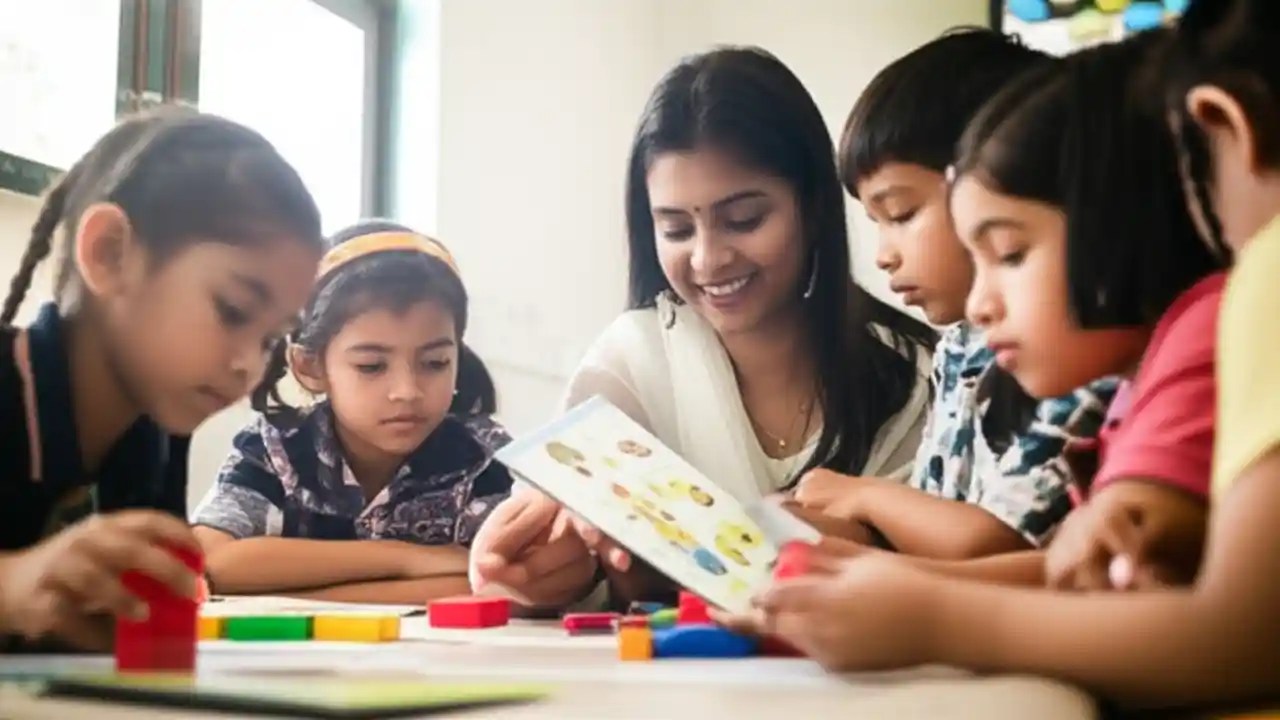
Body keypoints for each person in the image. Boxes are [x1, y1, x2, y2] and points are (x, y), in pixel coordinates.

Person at [729, 22, 1280, 708]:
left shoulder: (1238, 299)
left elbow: (1239, 637)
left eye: (1010, 253)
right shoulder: (1137, 372)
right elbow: (1071, 572)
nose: (984, 305)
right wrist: (877, 576)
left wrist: (930, 617)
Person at [469, 46, 936, 610]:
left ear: (813, 205)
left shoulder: (915, 377)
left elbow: (936, 565)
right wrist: (540, 569)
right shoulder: (630, 363)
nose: (709, 260)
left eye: (744, 220)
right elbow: (545, 545)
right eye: (675, 229)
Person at [790, 28, 1119, 562]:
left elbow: (996, 541)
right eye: (876, 223)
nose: (883, 255)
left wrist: (866, 495)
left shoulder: (1073, 351)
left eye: (899, 215)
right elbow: (929, 526)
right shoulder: (958, 350)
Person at [0, 109, 323, 650]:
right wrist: (10, 584)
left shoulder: (154, 432)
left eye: (271, 340)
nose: (250, 364)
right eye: (234, 309)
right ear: (109, 252)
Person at [192, 222, 514, 603]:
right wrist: (406, 558)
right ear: (310, 366)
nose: (407, 392)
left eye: (435, 362)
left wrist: (292, 591)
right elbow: (209, 560)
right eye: (371, 367)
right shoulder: (274, 447)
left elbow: (500, 582)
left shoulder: (486, 458)